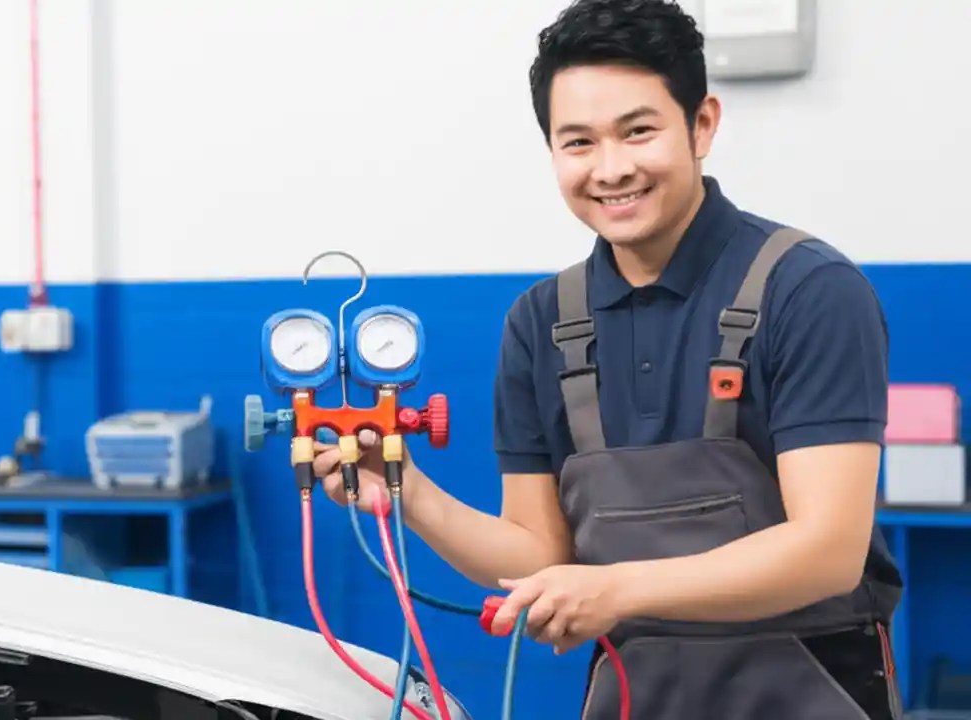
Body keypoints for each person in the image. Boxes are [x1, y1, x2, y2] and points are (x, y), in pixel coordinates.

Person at [311, 0, 905, 717]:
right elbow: (537, 554)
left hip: (810, 697)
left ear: (702, 124)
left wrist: (617, 589)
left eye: (639, 131)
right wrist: (407, 495)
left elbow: (828, 551)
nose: (612, 168)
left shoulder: (809, 291)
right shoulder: (541, 323)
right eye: (579, 143)